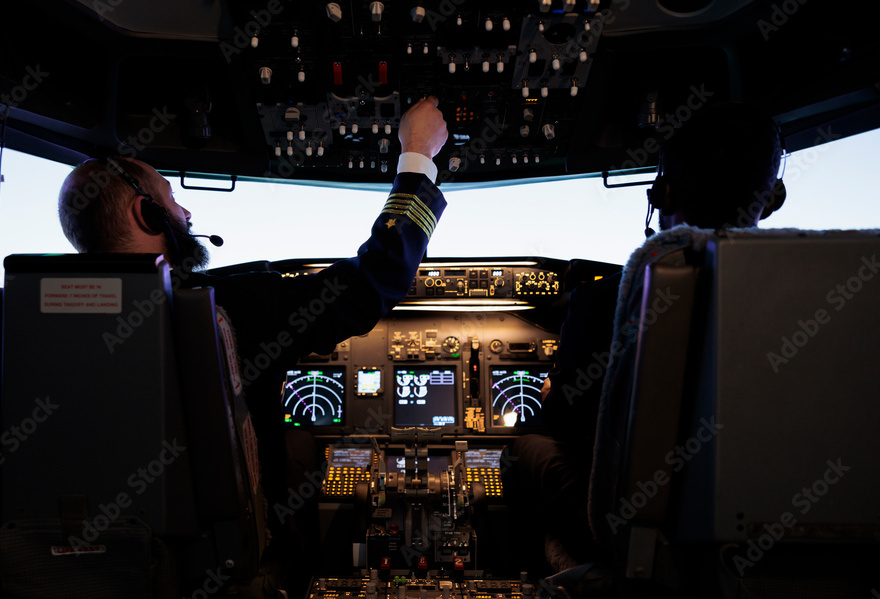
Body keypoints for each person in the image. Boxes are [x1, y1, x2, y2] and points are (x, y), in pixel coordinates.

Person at [56, 96, 448, 573]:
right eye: (172, 200)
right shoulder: (225, 310)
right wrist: (418, 153)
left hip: (97, 580)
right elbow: (374, 280)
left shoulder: (30, 340)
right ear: (147, 215)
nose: (186, 214)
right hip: (239, 575)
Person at [501, 102, 785, 572]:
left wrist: (555, 393)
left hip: (633, 544)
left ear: (662, 194)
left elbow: (568, 428)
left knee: (527, 442)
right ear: (773, 198)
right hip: (762, 539)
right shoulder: (810, 298)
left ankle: (558, 583)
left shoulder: (610, 302)